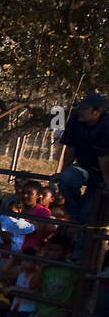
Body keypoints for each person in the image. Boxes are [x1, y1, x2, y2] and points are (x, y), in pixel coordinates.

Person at [57, 93, 109, 225]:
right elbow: (70, 150)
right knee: (67, 180)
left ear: (96, 112)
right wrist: (63, 171)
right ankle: (74, 213)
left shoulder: (106, 126)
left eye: (84, 109)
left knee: (90, 214)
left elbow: (105, 160)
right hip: (84, 166)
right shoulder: (75, 120)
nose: (80, 111)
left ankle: (83, 232)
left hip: (105, 170)